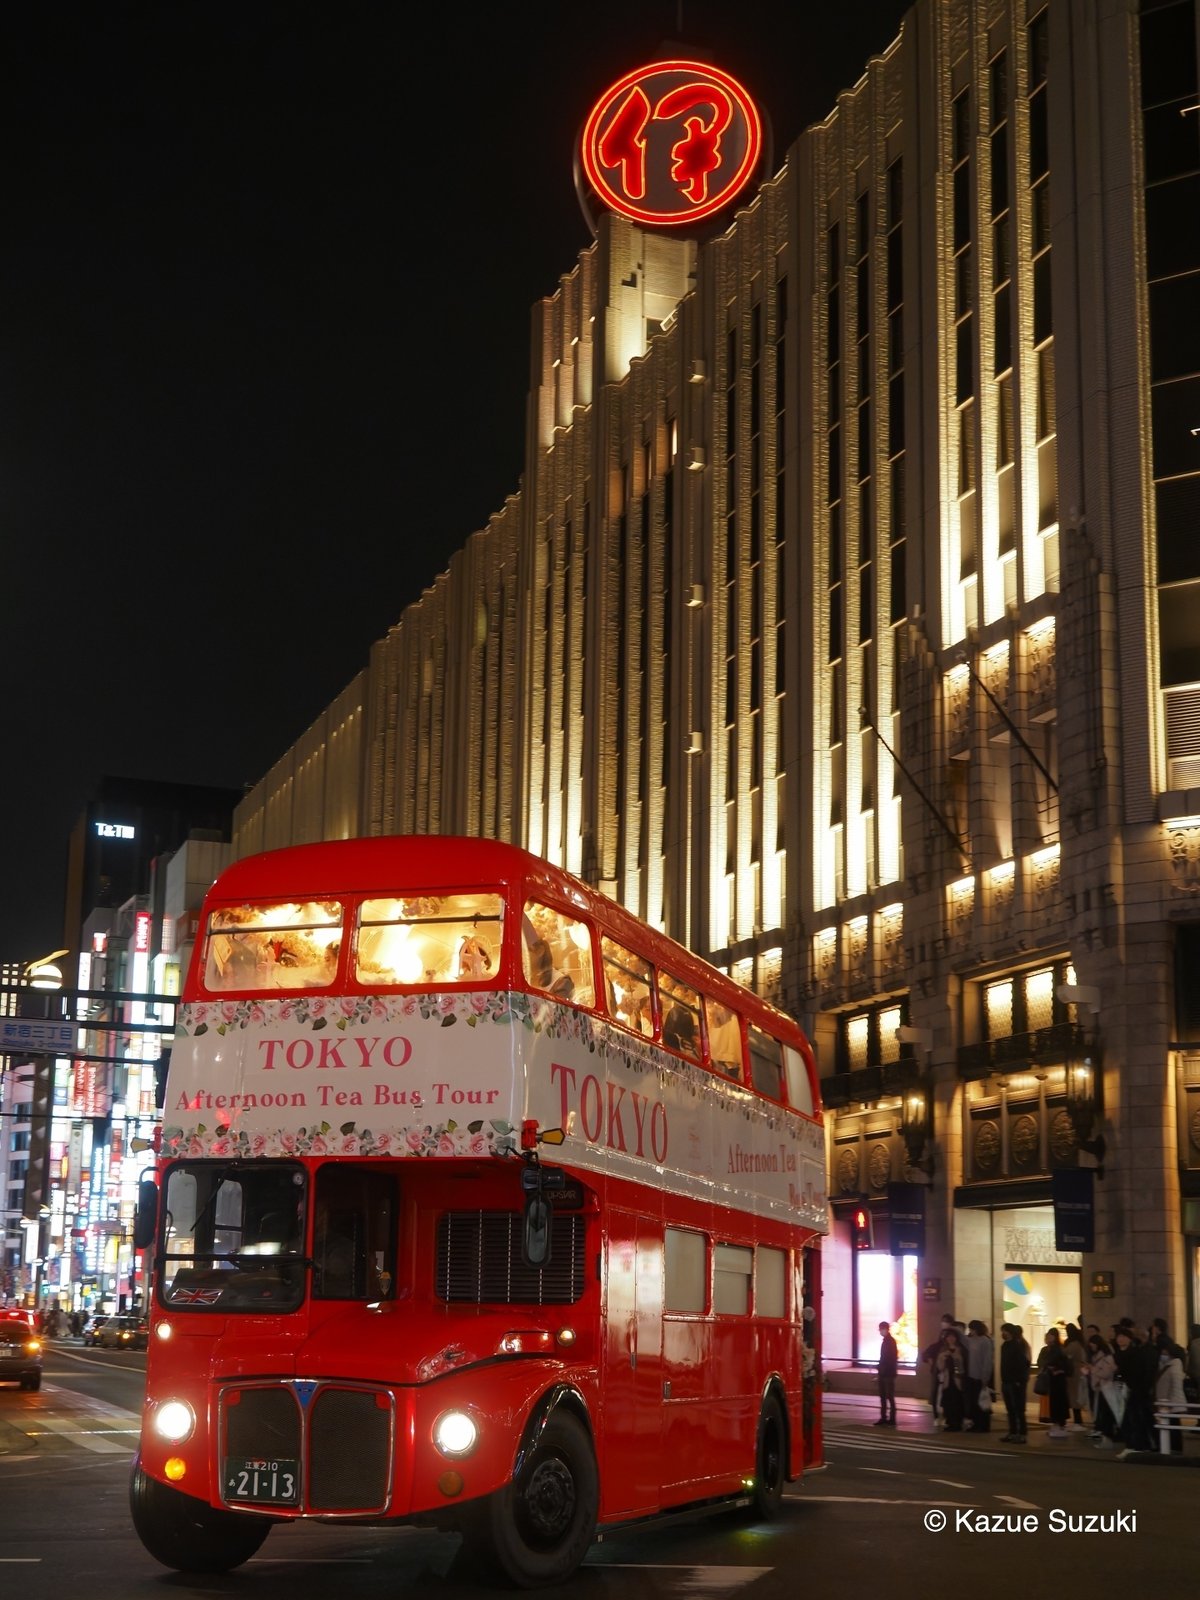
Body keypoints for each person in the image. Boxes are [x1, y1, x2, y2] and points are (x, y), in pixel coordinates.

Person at [1083, 1333, 1120, 1448]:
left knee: (1106, 1415)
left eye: (1093, 1344)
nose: (1091, 1346)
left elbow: (1106, 1373)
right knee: (1101, 1413)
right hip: (1099, 1388)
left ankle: (1108, 1439)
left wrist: (1093, 1370)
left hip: (1106, 1388)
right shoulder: (1096, 1357)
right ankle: (1104, 1437)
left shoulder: (1106, 1357)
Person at [1155, 1333, 1187, 1454]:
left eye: (1165, 1352)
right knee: (1172, 1425)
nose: (1163, 1354)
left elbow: (1176, 1385)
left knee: (1173, 1426)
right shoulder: (1171, 1365)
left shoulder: (1174, 1365)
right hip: (1169, 1401)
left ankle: (1175, 1449)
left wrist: (1170, 1401)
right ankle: (1173, 1448)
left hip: (1171, 1401)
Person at [999, 1323, 1031, 1442]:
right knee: (1010, 1409)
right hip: (1006, 1381)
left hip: (1016, 1382)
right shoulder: (1004, 1346)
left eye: (1004, 1331)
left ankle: (1022, 1433)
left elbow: (1023, 1364)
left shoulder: (1017, 1346)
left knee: (1019, 1408)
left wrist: (1019, 1380)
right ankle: (1012, 1432)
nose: (1003, 1334)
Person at [1036, 1327, 1071, 1437]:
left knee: (1058, 1402)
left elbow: (1056, 1362)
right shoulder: (1048, 1349)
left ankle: (1060, 1425)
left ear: (1055, 1337)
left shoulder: (1058, 1349)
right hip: (1052, 1379)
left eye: (1050, 1336)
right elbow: (1041, 1361)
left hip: (1058, 1379)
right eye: (1047, 1336)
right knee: (1054, 1403)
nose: (1047, 1338)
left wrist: (1054, 1368)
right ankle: (1057, 1424)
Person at [964, 1319, 995, 1432]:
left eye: (972, 1329)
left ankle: (983, 1425)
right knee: (974, 1402)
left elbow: (987, 1361)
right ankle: (976, 1424)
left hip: (980, 1377)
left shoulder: (985, 1341)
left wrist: (985, 1377)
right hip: (971, 1376)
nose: (970, 1331)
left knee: (982, 1402)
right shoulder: (970, 1340)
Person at [936, 1328, 967, 1431]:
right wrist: (943, 1358)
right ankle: (949, 1422)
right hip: (947, 1380)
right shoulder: (943, 1350)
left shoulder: (960, 1349)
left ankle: (957, 1423)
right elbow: (940, 1367)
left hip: (957, 1379)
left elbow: (962, 1366)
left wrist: (956, 1357)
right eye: (949, 1337)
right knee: (948, 1401)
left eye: (953, 1337)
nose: (951, 1339)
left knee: (957, 1401)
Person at [1063, 1323, 1089, 1430]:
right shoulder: (1080, 1343)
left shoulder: (1073, 1345)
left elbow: (1065, 1355)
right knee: (1077, 1396)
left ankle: (1078, 1421)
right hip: (1079, 1371)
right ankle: (1077, 1421)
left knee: (1075, 1397)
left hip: (1074, 1372)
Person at [874, 1320, 899, 1426]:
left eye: (881, 1329)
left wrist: (881, 1367)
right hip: (885, 1372)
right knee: (885, 1396)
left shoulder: (890, 1341)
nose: (881, 1331)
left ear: (886, 1329)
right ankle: (885, 1417)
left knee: (888, 1396)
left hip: (887, 1373)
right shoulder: (887, 1341)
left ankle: (890, 1418)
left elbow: (889, 1358)